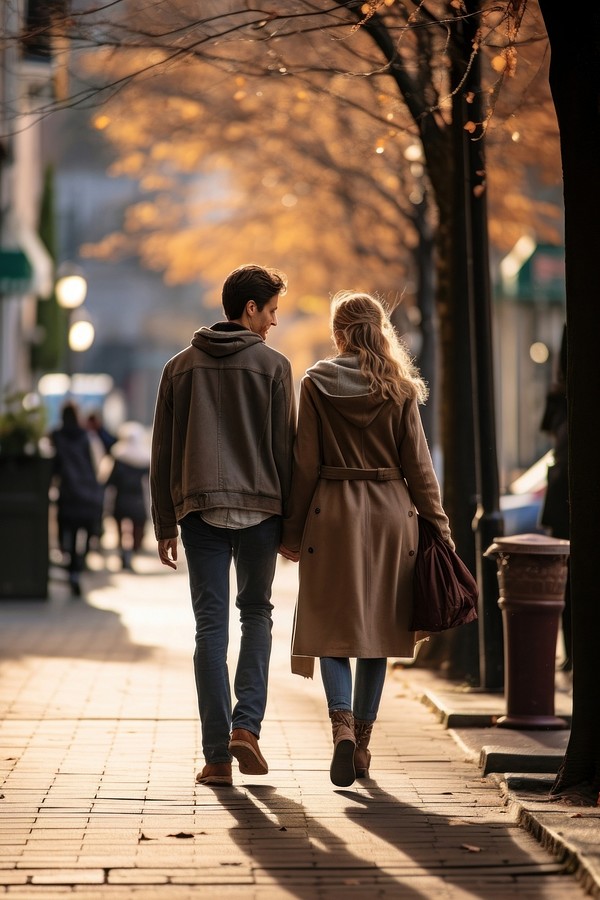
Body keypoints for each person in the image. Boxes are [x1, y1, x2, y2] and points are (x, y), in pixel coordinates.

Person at [279, 291, 453, 788]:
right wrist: (439, 528)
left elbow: (305, 464)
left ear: (338, 333)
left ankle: (341, 730)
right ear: (380, 330)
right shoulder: (398, 386)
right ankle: (364, 743)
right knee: (376, 633)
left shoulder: (314, 382)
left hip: (330, 514)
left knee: (331, 628)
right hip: (390, 516)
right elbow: (419, 468)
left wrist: (291, 534)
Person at [150, 264, 296, 787]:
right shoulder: (276, 368)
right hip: (261, 512)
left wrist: (164, 521)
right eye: (272, 310)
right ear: (250, 308)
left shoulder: (179, 367)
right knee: (255, 613)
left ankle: (216, 758)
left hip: (198, 511)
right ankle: (246, 730)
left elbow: (162, 450)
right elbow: (286, 452)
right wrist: (292, 526)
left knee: (209, 627)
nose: (274, 322)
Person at [50, 401, 105, 596]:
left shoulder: (56, 436)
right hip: (87, 491)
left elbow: (53, 465)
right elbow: (95, 465)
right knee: (86, 533)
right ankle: (77, 567)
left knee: (69, 534)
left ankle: (72, 569)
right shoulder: (85, 436)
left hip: (67, 492)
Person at [540, 325, 571, 670]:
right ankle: (572, 654)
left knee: (566, 578)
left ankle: (571, 655)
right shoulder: (559, 399)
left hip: (561, 491)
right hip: (562, 493)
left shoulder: (558, 399)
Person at [99, 421, 151, 571]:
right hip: (138, 500)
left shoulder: (118, 456)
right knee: (137, 529)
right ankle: (131, 554)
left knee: (120, 531)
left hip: (120, 498)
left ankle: (124, 553)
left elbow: (110, 480)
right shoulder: (144, 457)